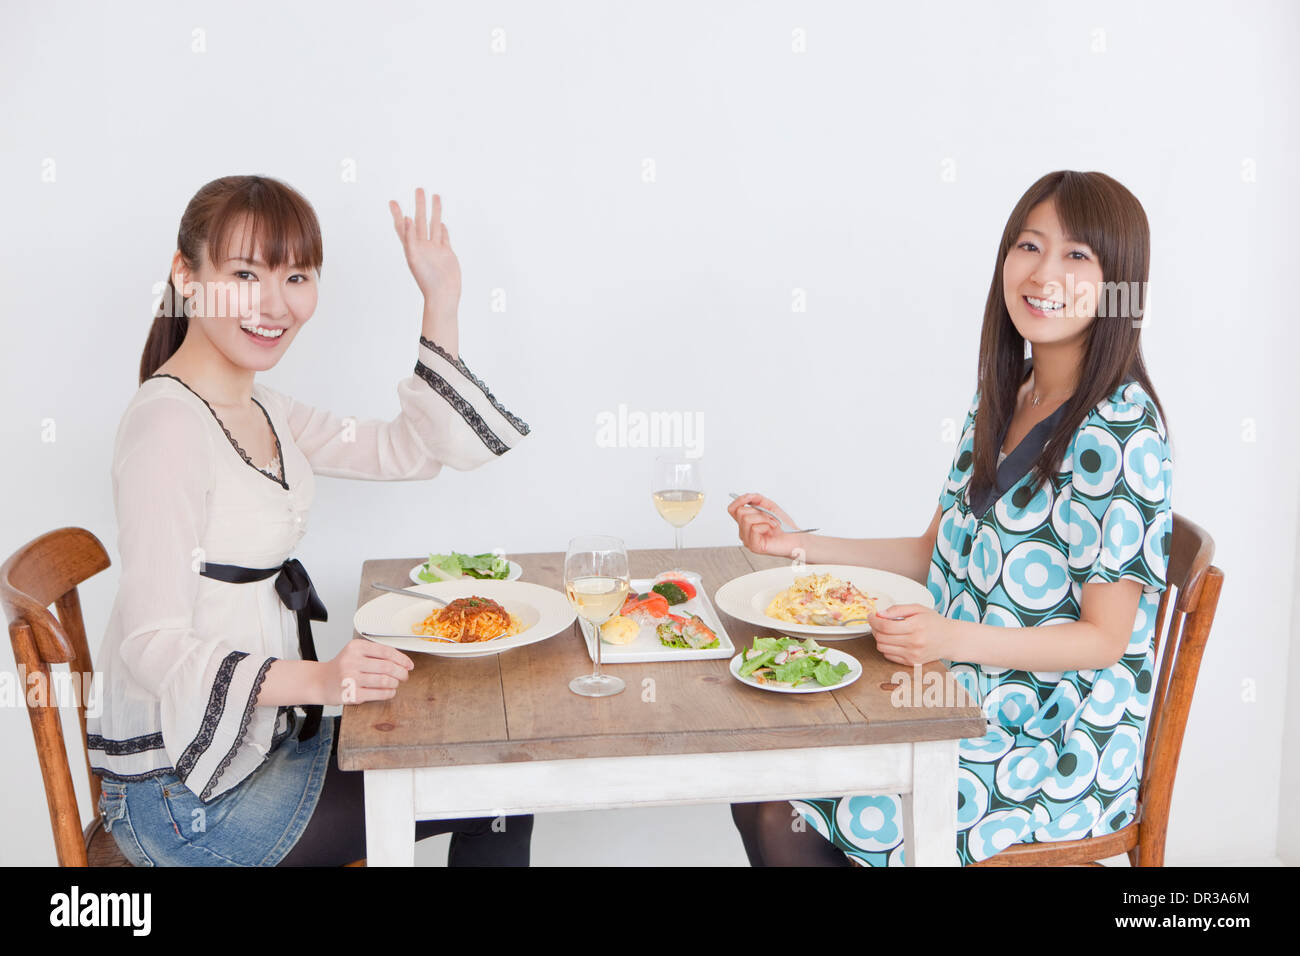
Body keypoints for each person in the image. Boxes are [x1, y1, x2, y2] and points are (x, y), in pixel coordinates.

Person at [728, 169, 1174, 866]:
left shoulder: (1122, 432)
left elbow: (1102, 640)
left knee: (783, 803)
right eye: (1029, 246)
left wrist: (949, 637)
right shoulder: (1006, 393)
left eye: (1078, 256)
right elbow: (934, 551)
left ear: (1120, 286)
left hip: (1054, 742)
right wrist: (797, 547)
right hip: (958, 689)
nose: (1044, 271)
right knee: (766, 766)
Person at [89, 174, 534, 866]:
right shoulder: (168, 427)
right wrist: (323, 682)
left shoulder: (263, 406)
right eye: (244, 274)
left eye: (296, 276)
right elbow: (152, 643)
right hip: (186, 797)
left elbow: (404, 450)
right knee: (490, 791)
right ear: (186, 276)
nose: (274, 304)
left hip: (254, 747)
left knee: (498, 781)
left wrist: (439, 300)